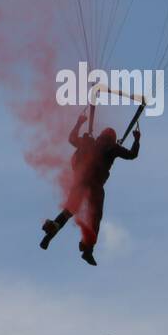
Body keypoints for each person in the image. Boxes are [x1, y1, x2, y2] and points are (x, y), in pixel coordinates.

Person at [40, 112, 140, 266]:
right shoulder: (112, 148)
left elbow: (71, 139)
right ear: (112, 139)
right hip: (95, 187)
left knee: (69, 210)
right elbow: (133, 155)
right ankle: (88, 250)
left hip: (80, 181)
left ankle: (52, 231)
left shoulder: (89, 142)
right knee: (95, 218)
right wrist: (136, 139)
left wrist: (79, 123)